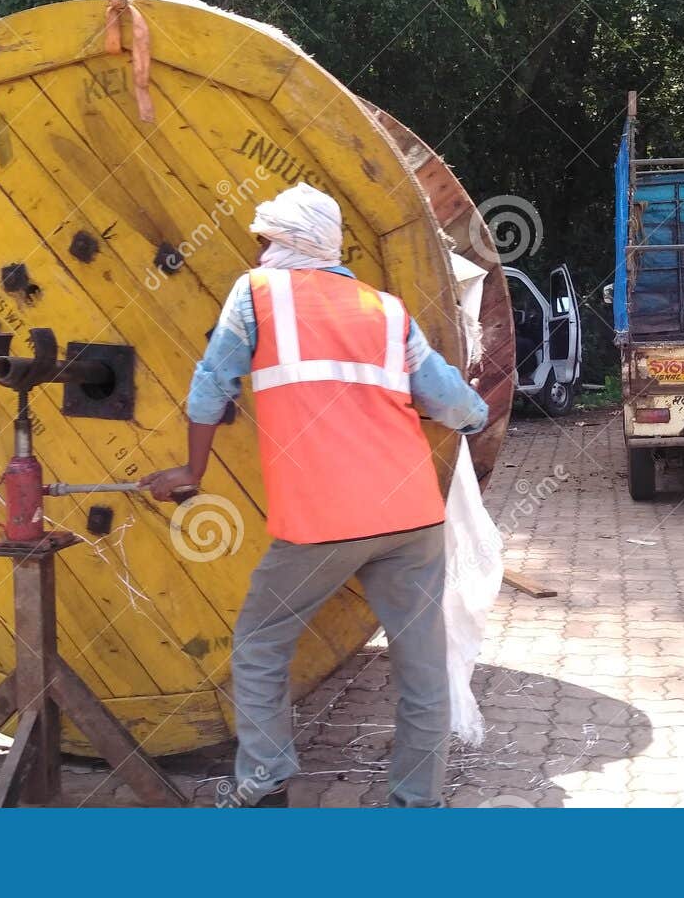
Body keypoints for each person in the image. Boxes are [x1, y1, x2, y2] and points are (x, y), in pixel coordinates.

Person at [141, 182, 487, 808]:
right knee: (422, 667)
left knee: (261, 643)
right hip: (412, 516)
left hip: (325, 521)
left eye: (262, 241)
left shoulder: (257, 294)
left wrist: (192, 469)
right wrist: (476, 417)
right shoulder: (386, 310)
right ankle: (419, 805)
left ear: (282, 242)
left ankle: (267, 785)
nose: (257, 253)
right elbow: (452, 401)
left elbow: (212, 383)